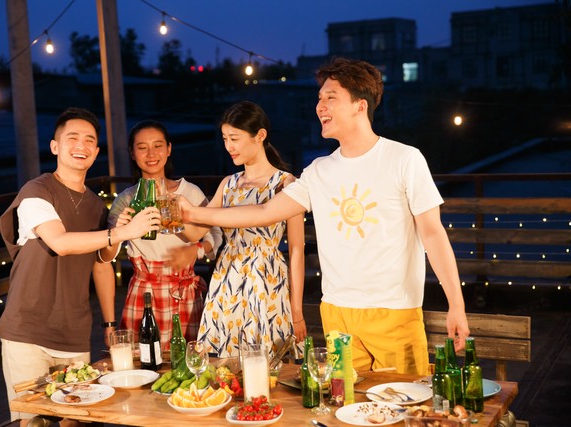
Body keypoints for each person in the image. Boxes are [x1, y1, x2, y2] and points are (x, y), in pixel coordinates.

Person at [179, 59, 470, 376]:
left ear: (360, 105)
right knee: (344, 399)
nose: (320, 106)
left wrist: (456, 304)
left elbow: (432, 233)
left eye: (331, 97)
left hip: (394, 310)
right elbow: (264, 212)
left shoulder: (404, 159)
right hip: (336, 312)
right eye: (319, 98)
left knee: (401, 398)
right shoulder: (319, 170)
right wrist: (194, 213)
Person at [0, 107, 160, 427]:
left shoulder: (96, 205)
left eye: (89, 140)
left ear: (96, 152)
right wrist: (122, 232)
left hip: (74, 333)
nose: (81, 145)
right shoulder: (36, 192)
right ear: (55, 146)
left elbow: (102, 264)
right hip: (28, 331)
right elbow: (60, 242)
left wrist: (109, 323)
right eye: (72, 138)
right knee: (34, 421)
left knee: (78, 420)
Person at [181, 101, 306, 358]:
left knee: (266, 362)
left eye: (235, 138)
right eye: (225, 139)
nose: (229, 146)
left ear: (260, 135)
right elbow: (195, 233)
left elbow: (296, 250)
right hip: (227, 276)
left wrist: (297, 311)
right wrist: (170, 220)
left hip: (266, 277)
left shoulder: (285, 183)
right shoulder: (228, 183)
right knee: (223, 363)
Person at [107, 120, 222, 351]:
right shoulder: (127, 199)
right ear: (132, 153)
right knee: (143, 359)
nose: (151, 154)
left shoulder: (188, 192)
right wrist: (118, 231)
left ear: (169, 149)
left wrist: (197, 249)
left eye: (158, 146)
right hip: (145, 290)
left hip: (185, 290)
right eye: (142, 147)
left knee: (188, 359)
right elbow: (107, 253)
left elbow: (216, 233)